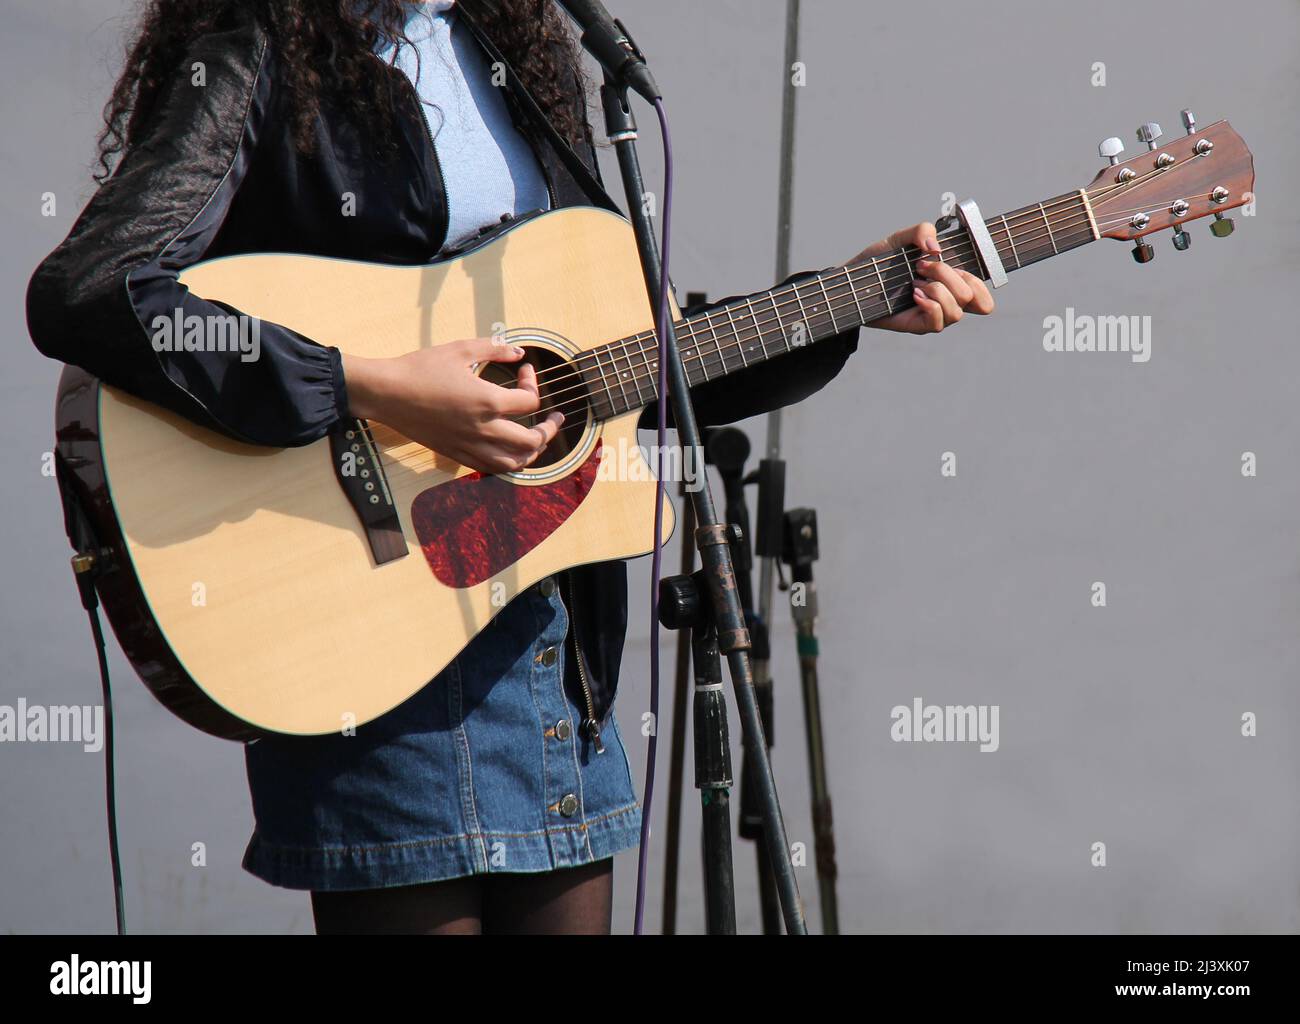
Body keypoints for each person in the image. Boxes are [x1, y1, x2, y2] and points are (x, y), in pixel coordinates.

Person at [26, 0, 994, 934]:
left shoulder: (515, 51)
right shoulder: (256, 39)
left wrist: (849, 297)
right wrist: (364, 384)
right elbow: (89, 288)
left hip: (555, 658)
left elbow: (628, 362)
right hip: (373, 659)